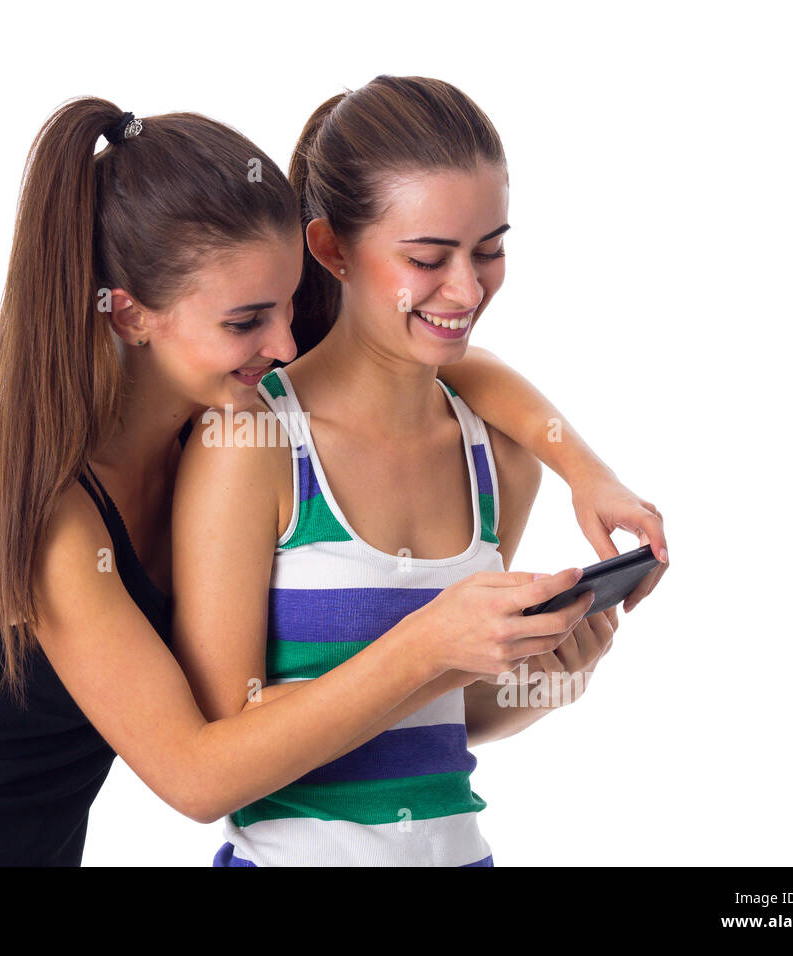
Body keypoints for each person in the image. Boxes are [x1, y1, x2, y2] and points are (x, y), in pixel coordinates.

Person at [0, 95, 665, 866]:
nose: (288, 344)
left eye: (290, 305)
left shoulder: (215, 430)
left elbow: (444, 370)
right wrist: (431, 642)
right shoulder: (30, 507)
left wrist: (580, 471)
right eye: (248, 320)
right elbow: (195, 775)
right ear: (130, 311)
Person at [172, 76, 662, 867]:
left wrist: (548, 678)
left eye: (491, 249)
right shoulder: (250, 444)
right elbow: (223, 751)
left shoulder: (497, 457)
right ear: (329, 248)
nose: (467, 289)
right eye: (428, 258)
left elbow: (444, 716)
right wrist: (429, 641)